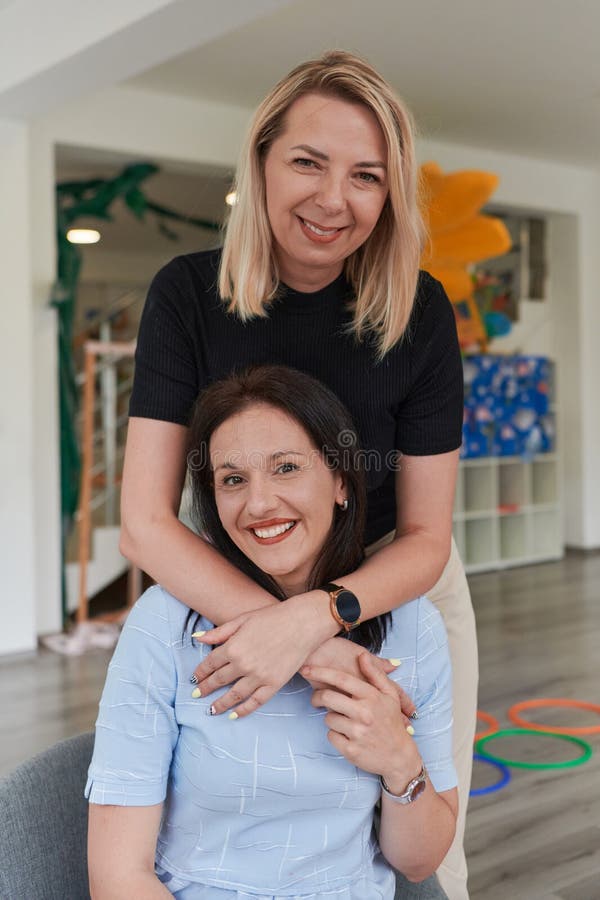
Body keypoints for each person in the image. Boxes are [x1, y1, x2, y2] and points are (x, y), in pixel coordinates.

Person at [121, 50, 477, 899]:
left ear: (390, 195)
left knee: (429, 846)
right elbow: (145, 522)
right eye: (308, 163)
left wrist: (321, 617)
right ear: (261, 163)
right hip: (232, 577)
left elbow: (426, 535)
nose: (333, 199)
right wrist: (287, 629)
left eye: (366, 176)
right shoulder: (187, 295)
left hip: (391, 585)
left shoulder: (420, 310)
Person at [88, 365, 458, 898]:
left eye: (286, 468)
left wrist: (400, 761)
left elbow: (418, 865)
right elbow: (118, 877)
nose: (258, 504)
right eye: (233, 479)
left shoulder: (412, 628)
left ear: (340, 481)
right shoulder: (164, 624)